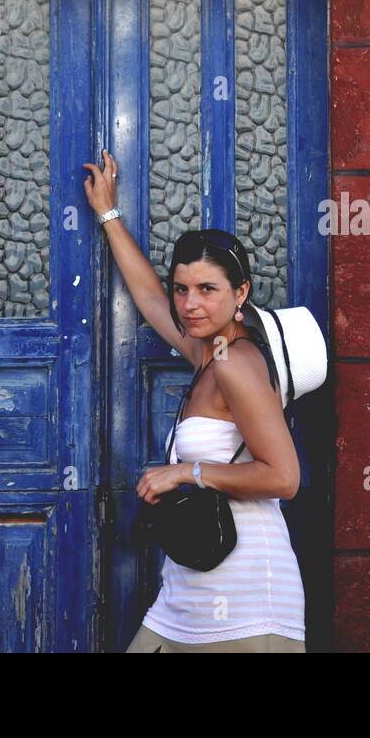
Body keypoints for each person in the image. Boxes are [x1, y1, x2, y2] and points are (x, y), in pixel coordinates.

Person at [82, 149, 306, 653]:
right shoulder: (209, 352)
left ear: (240, 292)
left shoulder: (234, 363)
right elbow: (148, 299)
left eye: (208, 289)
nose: (190, 303)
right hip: (191, 586)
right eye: (182, 288)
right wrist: (109, 215)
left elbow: (283, 477)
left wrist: (185, 473)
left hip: (249, 595)